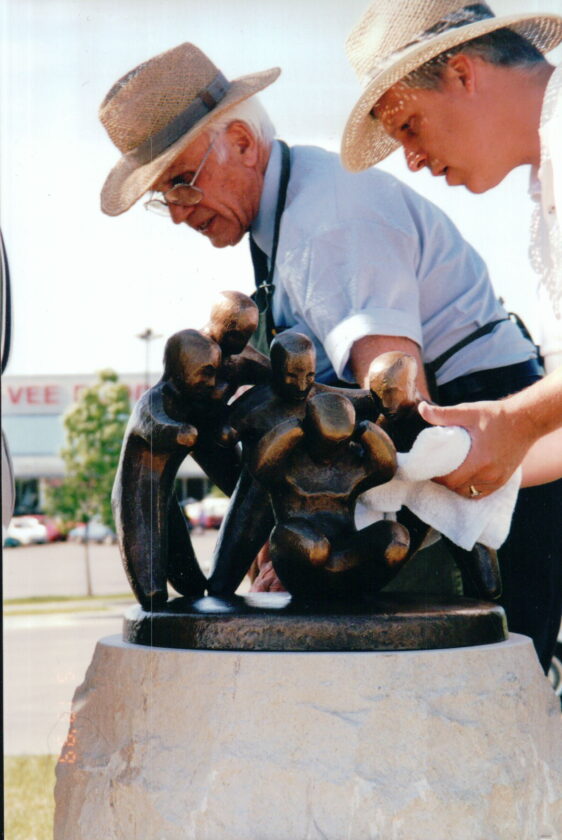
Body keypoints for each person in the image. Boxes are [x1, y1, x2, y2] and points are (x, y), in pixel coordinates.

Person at [98, 42, 558, 670]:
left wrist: (314, 541)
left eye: (181, 181)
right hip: (458, 470)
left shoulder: (327, 223)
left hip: (470, 483)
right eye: (163, 196)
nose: (178, 212)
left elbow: (398, 401)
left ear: (240, 140)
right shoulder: (288, 214)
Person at [341, 0, 562, 496]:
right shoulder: (546, 182)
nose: (413, 161)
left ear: (462, 73)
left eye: (410, 127)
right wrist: (431, 471)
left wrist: (514, 419)